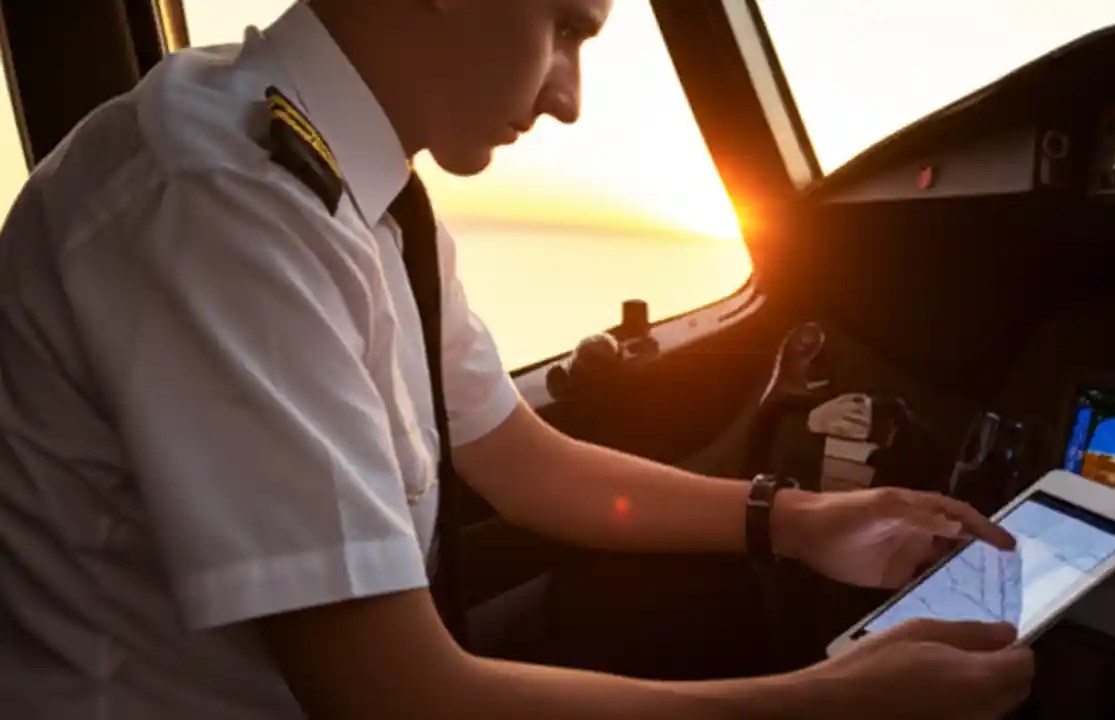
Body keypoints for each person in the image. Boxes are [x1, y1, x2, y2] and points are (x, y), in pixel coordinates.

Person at [0, 0, 1034, 718]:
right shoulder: (225, 207)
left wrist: (798, 521)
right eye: (566, 29)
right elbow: (396, 698)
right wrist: (830, 703)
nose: (569, 97)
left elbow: (516, 457)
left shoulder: (352, 188)